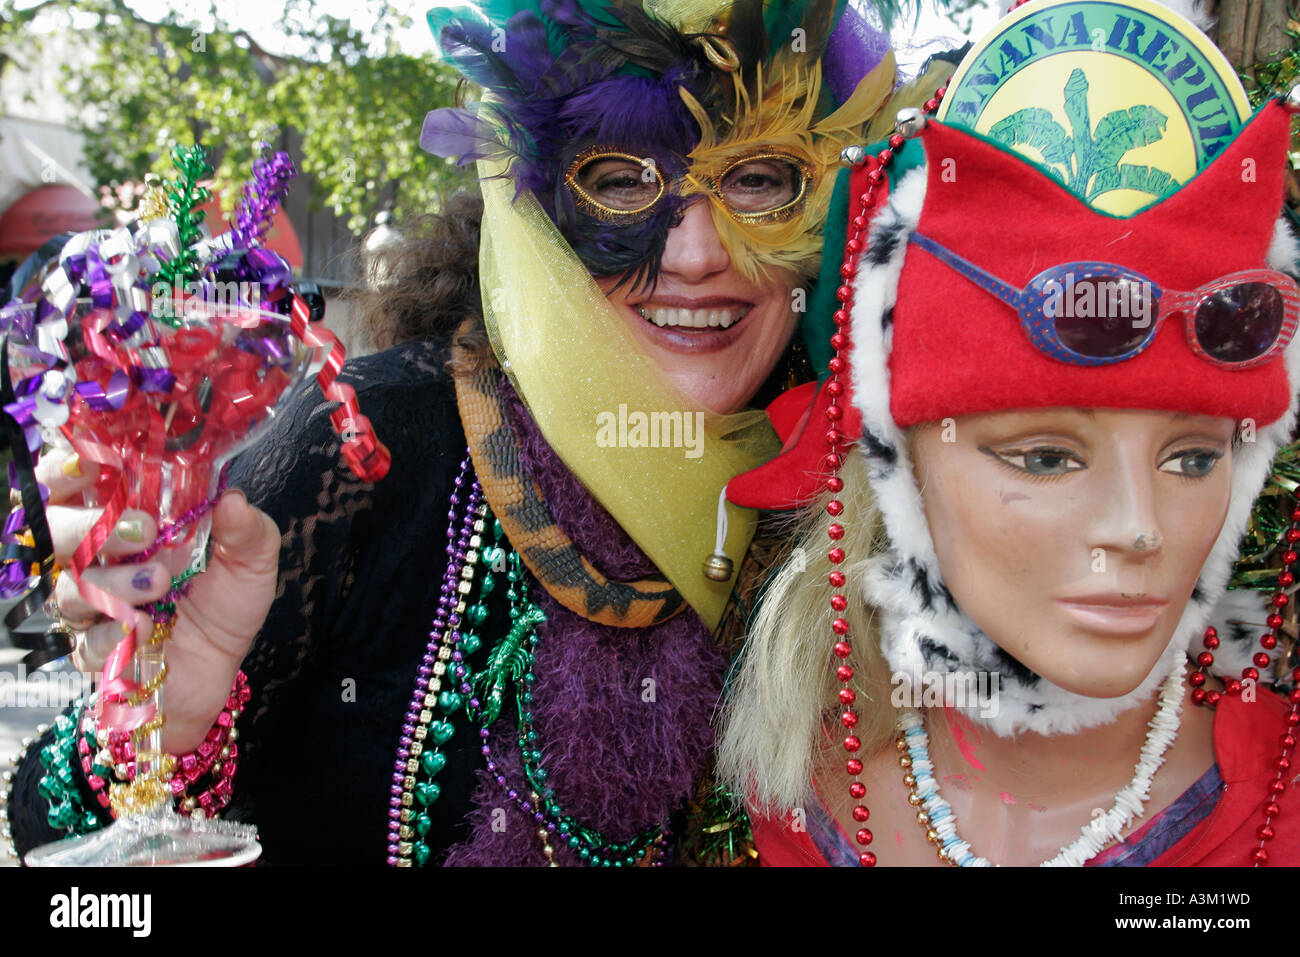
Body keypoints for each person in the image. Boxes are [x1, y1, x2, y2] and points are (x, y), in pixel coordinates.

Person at [1, 0, 943, 866]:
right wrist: (151, 736)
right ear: (534, 210)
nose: (697, 255)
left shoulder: (862, 492)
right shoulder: (371, 444)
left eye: (759, 180)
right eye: (618, 181)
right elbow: (68, 859)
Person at [717, 0, 1300, 866]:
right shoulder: (798, 794)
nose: (1137, 527)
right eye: (1046, 456)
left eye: (1193, 456)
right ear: (899, 467)